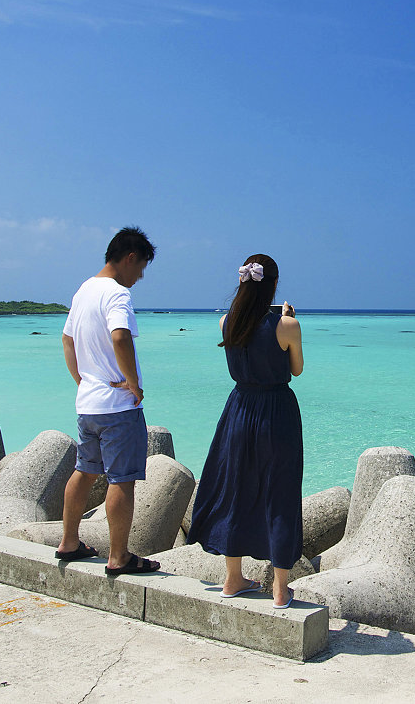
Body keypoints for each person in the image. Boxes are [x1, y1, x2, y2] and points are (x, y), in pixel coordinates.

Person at [188, 254, 304, 608]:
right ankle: (281, 588)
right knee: (280, 493)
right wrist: (288, 320)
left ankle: (232, 578)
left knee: (235, 489)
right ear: (273, 284)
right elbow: (296, 369)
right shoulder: (286, 326)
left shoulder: (227, 322)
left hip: (238, 409)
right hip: (276, 412)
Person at [56, 226, 161, 576]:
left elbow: (67, 340)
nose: (141, 277)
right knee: (122, 479)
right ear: (129, 258)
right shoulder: (117, 294)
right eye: (142, 267)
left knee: (84, 472)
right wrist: (133, 384)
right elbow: (120, 337)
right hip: (117, 407)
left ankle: (68, 542)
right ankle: (119, 557)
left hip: (87, 404)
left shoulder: (84, 290)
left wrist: (83, 381)